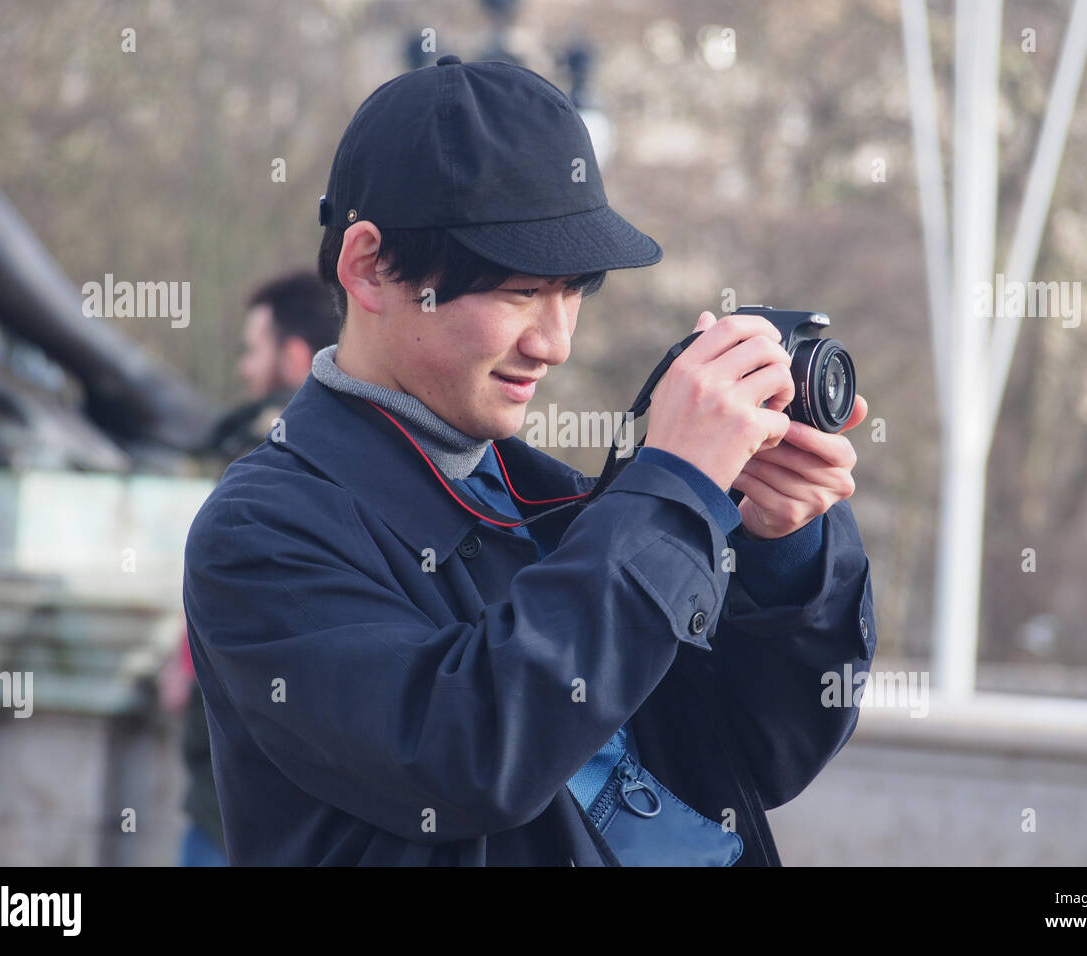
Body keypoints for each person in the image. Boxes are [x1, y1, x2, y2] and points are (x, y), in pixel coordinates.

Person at [183, 54, 877, 866]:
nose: (555, 343)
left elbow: (764, 753)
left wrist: (778, 545)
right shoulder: (259, 531)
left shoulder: (558, 500)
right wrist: (675, 489)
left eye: (574, 291)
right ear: (368, 266)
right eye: (519, 293)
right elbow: (466, 753)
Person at [160, 270, 338, 866]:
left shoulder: (270, 453)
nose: (242, 367)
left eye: (252, 348)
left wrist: (185, 661)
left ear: (292, 354)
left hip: (239, 805)